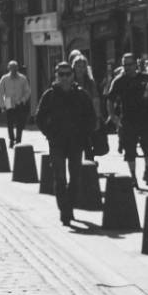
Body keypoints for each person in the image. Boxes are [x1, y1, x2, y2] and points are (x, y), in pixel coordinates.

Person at [35, 60, 98, 229]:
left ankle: (69, 206)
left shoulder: (81, 95)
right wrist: (49, 133)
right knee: (60, 177)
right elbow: (39, 117)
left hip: (76, 142)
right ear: (56, 76)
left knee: (75, 177)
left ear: (72, 76)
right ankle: (65, 210)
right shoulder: (49, 95)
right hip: (57, 142)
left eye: (67, 74)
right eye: (60, 74)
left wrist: (85, 133)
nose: (64, 78)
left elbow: (91, 117)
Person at [107, 52, 148, 185]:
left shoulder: (145, 77)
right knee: (129, 149)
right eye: (125, 65)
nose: (127, 67)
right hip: (128, 119)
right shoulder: (119, 81)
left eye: (130, 64)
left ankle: (147, 172)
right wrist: (113, 116)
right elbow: (110, 99)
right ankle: (133, 176)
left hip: (146, 117)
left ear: (136, 64)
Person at [0, 60, 33, 141]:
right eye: (11, 68)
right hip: (8, 101)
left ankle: (18, 139)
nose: (13, 70)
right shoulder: (4, 78)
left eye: (15, 68)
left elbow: (28, 91)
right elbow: (0, 92)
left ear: (17, 68)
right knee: (10, 122)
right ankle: (12, 139)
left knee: (20, 122)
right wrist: (2, 105)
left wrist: (23, 100)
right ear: (9, 68)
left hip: (19, 102)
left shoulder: (22, 78)